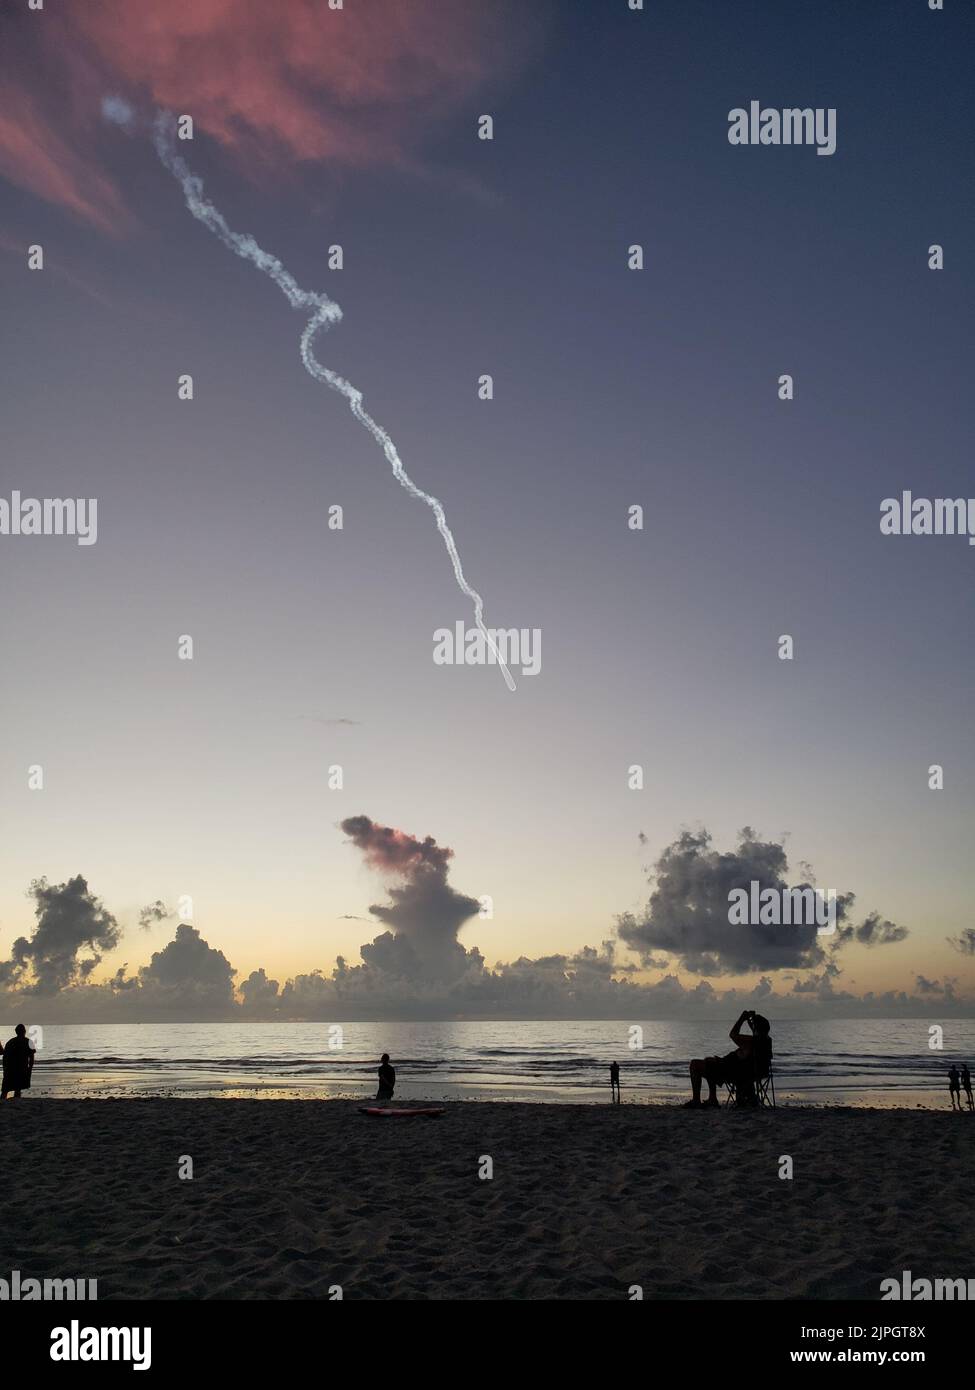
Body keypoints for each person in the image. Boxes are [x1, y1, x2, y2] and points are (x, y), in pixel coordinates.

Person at [686, 1010, 771, 1108]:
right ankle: (712, 1099)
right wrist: (750, 1023)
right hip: (749, 1072)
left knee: (694, 1064)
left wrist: (742, 1019)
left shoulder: (752, 1042)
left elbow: (733, 1034)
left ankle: (697, 1100)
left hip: (733, 1072)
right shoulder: (766, 1041)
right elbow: (757, 1034)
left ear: (757, 1029)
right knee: (709, 1061)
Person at [1, 1024, 35, 1101]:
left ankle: (3, 1102)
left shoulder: (10, 1042)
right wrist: (30, 1068)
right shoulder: (29, 1042)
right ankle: (16, 1101)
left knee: (5, 1090)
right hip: (22, 1069)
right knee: (18, 1088)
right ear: (25, 1032)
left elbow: (5, 1058)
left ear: (16, 1032)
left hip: (10, 1069)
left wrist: (5, 1069)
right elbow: (32, 1058)